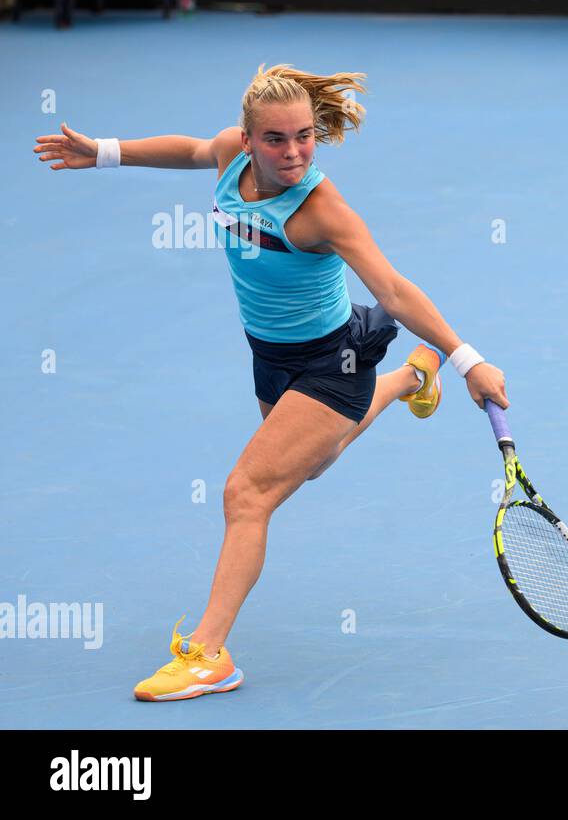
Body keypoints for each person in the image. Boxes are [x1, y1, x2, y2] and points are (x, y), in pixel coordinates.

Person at [32, 63, 508, 701]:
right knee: (311, 464)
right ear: (250, 139)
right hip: (269, 354)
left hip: (331, 362)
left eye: (305, 137)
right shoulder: (231, 157)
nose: (294, 153)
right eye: (277, 139)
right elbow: (194, 150)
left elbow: (392, 290)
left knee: (247, 495)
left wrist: (468, 357)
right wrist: (106, 153)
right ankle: (408, 378)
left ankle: (209, 653)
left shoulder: (322, 210)